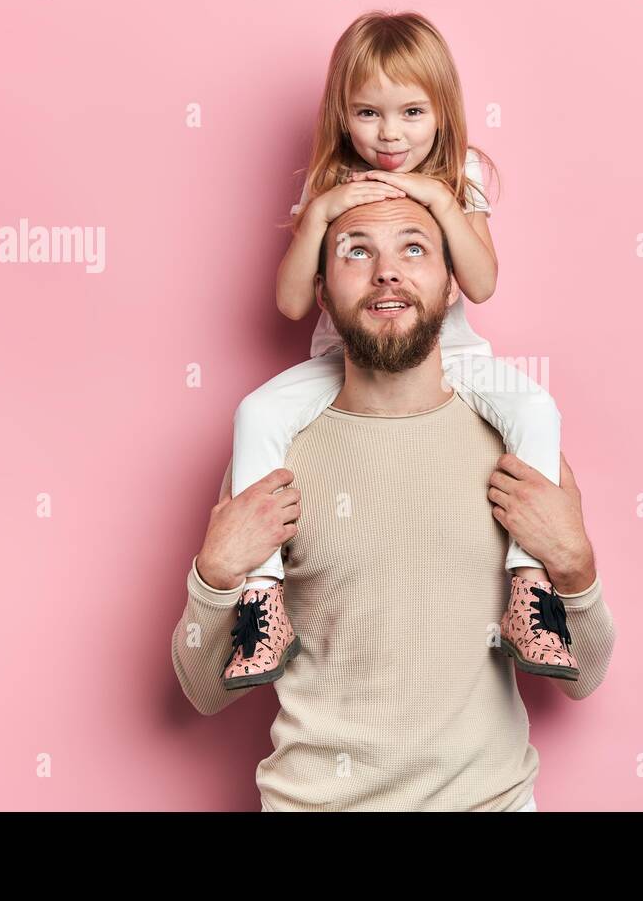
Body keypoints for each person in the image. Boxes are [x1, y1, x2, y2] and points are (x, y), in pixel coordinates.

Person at [170, 196, 617, 811]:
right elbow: (202, 690)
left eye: (414, 248)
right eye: (358, 251)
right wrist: (214, 575)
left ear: (452, 284)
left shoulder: (518, 451)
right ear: (322, 292)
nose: (387, 271)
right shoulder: (274, 456)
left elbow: (585, 674)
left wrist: (575, 565)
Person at [224, 10, 569, 688]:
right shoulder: (328, 180)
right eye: (368, 113)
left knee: (536, 407)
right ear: (341, 115)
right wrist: (320, 213)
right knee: (255, 415)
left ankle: (531, 589)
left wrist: (438, 202)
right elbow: (294, 303)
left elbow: (482, 281)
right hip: (342, 360)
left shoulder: (457, 172)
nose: (390, 134)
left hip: (450, 357)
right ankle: (259, 601)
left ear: (442, 113)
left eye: (411, 112)